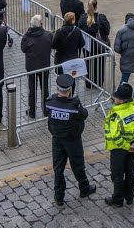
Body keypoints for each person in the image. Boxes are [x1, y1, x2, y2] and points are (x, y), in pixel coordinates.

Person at [47, 73, 96, 206]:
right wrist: (77, 104)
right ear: (69, 89)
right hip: (72, 140)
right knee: (78, 165)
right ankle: (84, 188)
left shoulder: (50, 103)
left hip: (57, 139)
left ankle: (59, 196)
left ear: (57, 88)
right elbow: (84, 115)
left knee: (58, 168)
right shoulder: (74, 106)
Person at [103, 83, 134, 207]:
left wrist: (126, 146)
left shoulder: (116, 115)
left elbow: (114, 136)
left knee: (117, 174)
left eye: (115, 97)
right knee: (130, 172)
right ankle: (129, 196)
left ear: (121, 100)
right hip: (132, 147)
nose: (113, 98)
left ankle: (118, 199)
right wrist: (133, 143)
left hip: (118, 149)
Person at [21, 15, 54, 118]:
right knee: (45, 88)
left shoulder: (27, 37)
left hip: (32, 67)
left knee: (32, 89)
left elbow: (23, 49)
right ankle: (46, 110)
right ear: (41, 24)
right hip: (44, 66)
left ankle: (32, 111)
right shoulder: (48, 35)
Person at [80, 0, 112, 87]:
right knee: (100, 65)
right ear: (96, 6)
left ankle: (89, 83)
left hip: (87, 46)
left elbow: (80, 28)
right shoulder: (101, 19)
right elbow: (107, 31)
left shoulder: (83, 18)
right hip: (99, 46)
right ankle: (99, 83)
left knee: (88, 63)